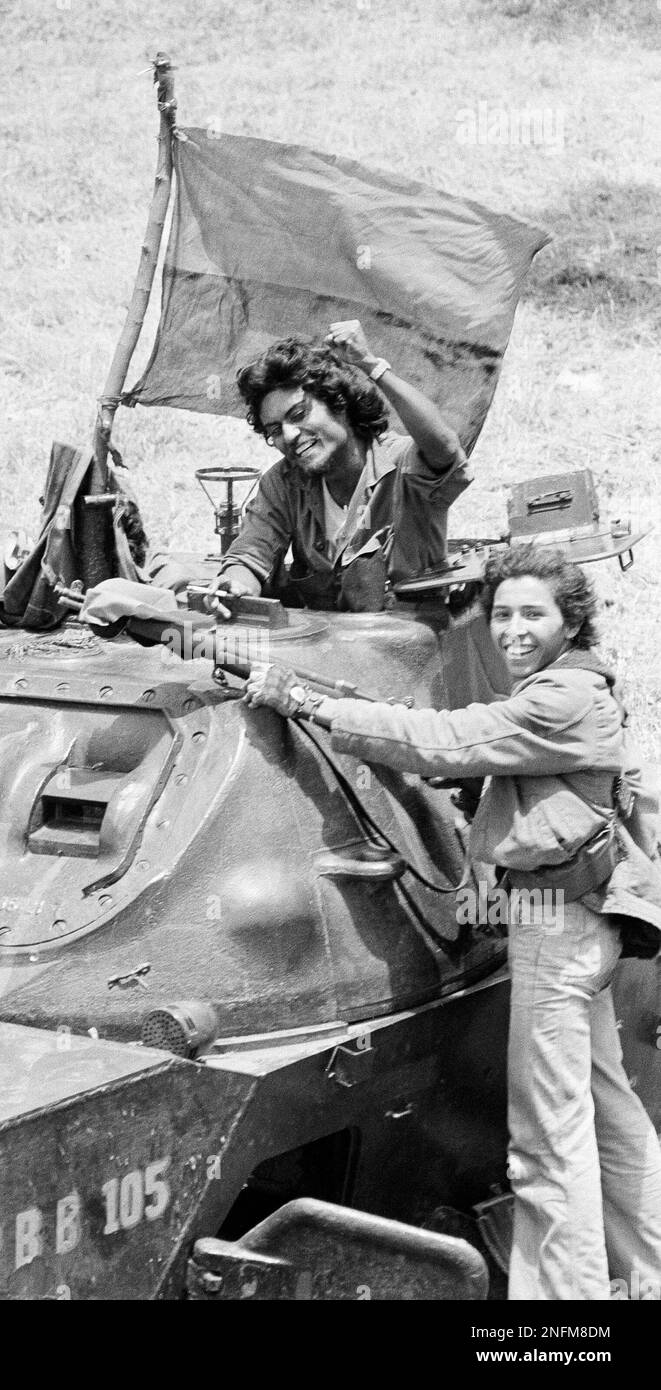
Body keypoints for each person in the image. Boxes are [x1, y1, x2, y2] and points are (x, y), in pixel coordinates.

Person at [243, 543, 661, 1301]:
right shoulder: (574, 686)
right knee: (608, 1114)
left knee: (546, 1145)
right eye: (501, 615)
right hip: (580, 924)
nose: (512, 630)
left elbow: (451, 738)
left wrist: (308, 703)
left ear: (570, 620)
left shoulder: (555, 701)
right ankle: (643, 1277)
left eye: (532, 614)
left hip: (557, 937)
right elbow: (477, 747)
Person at [205, 320, 471, 617]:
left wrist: (372, 366)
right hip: (328, 655)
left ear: (339, 402)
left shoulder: (401, 465)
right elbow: (251, 554)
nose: (290, 435)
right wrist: (234, 586)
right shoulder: (284, 484)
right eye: (275, 430)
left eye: (299, 414)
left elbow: (445, 448)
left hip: (412, 652)